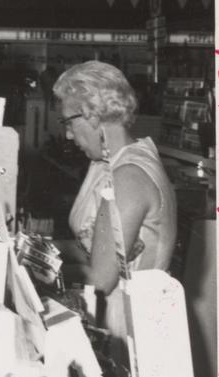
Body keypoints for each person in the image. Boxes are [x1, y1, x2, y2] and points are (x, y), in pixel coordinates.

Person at [53, 60, 177, 335]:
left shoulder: (129, 176)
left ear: (92, 115)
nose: (68, 134)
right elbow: (91, 245)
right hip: (111, 315)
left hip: (132, 327)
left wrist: (39, 271)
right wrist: (34, 250)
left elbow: (100, 279)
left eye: (68, 123)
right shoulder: (104, 164)